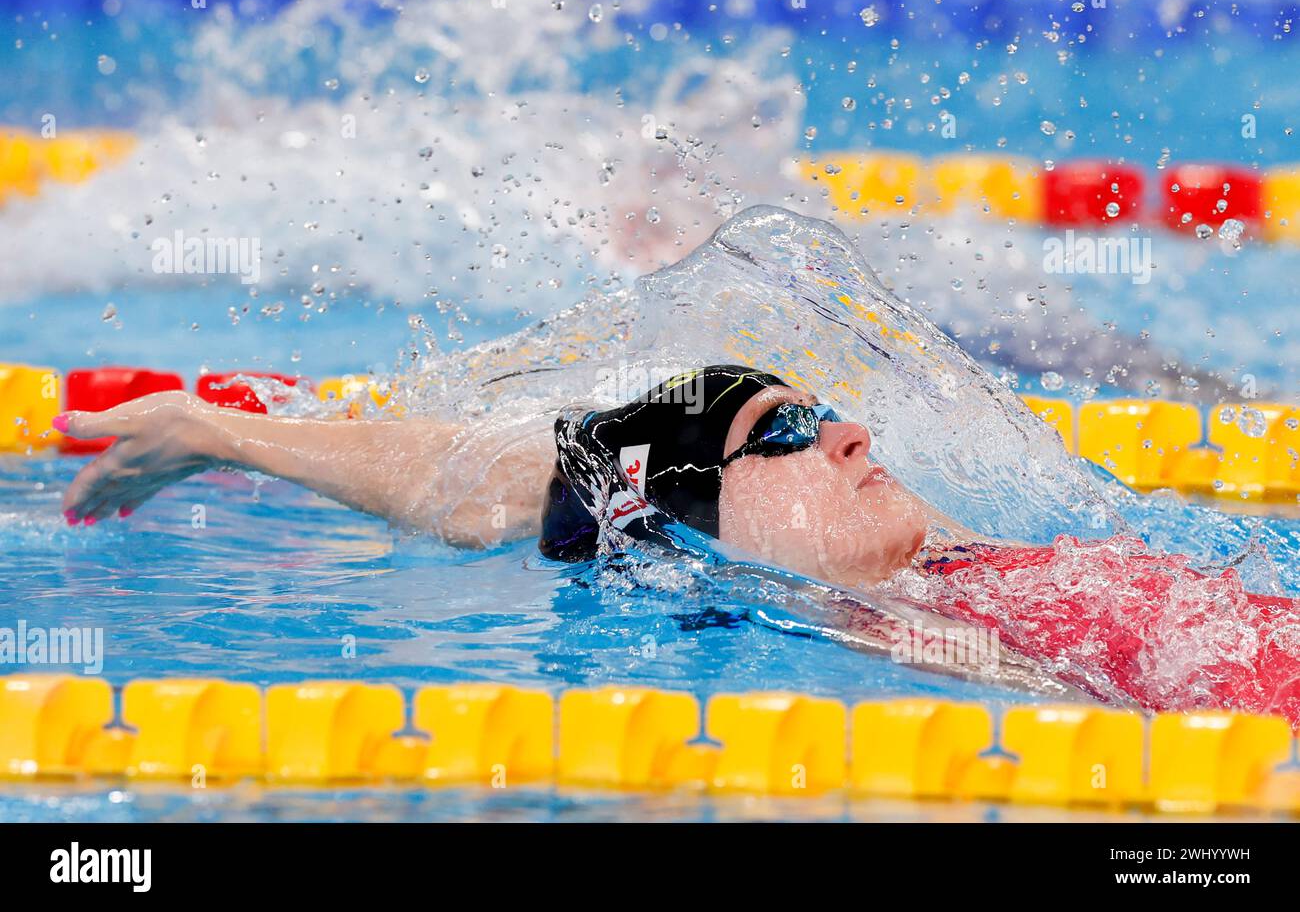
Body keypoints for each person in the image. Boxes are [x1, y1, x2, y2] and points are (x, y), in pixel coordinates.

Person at [54, 363, 1300, 724]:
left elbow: (516, 474)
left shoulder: (948, 558)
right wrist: (217, 432)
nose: (853, 433)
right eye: (790, 432)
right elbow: (531, 494)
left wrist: (223, 427)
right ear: (688, 520)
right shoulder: (872, 622)